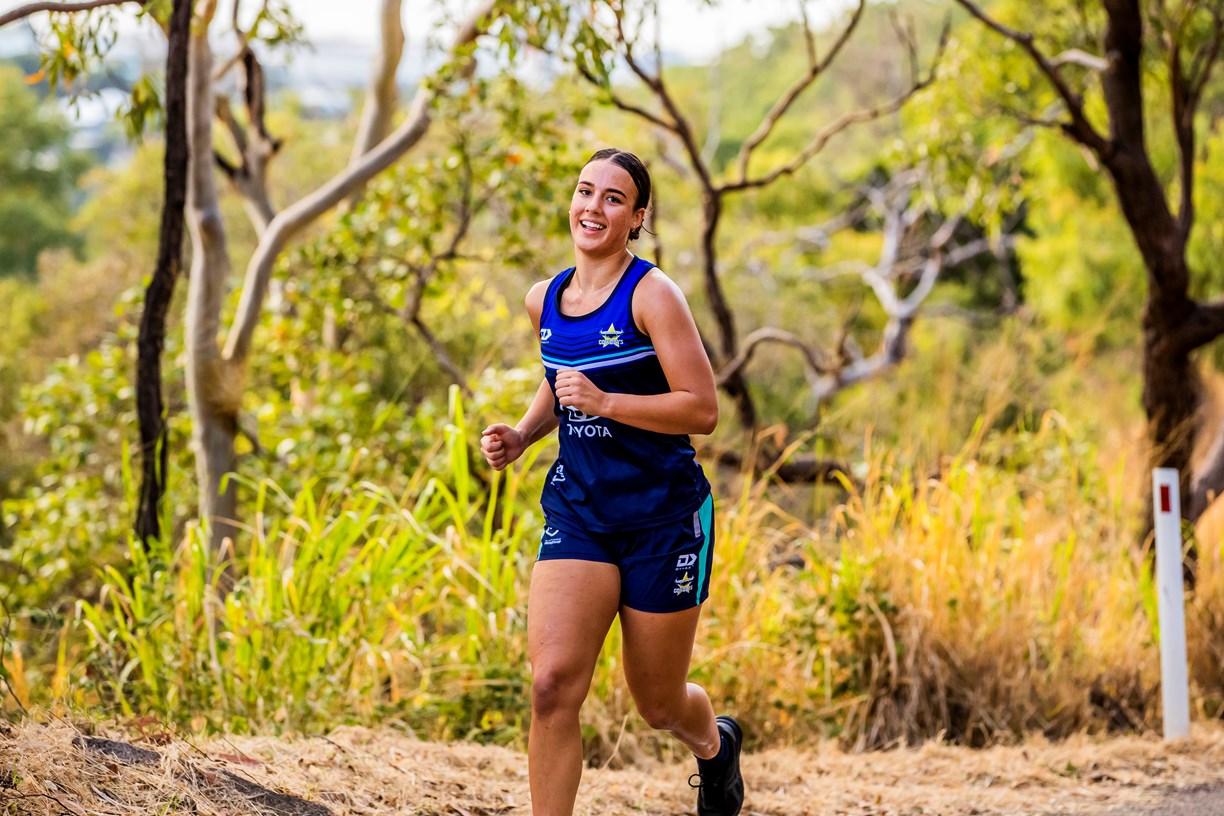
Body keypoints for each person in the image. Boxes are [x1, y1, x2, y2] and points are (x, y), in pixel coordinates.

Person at [480, 148, 744, 816]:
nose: (592, 208)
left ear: (637, 218)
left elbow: (702, 409)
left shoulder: (653, 295)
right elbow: (557, 377)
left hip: (662, 518)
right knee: (550, 687)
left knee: (658, 704)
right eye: (585, 191)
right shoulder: (545, 297)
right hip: (581, 512)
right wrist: (522, 433)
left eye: (613, 198)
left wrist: (607, 404)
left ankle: (715, 747)